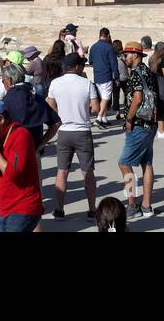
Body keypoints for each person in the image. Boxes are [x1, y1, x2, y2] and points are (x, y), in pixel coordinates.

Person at [46, 53, 101, 220]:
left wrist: (59, 113)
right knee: (88, 172)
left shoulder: (55, 83)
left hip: (64, 131)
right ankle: (92, 209)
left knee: (62, 171)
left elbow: (49, 102)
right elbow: (96, 108)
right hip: (82, 130)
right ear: (77, 67)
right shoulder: (86, 83)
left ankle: (60, 209)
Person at [0, 99, 43, 232]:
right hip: (7, 208)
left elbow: (13, 174)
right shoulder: (1, 137)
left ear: (1, 119)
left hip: (22, 207)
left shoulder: (20, 136)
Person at [118, 41, 157, 219]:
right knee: (146, 163)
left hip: (139, 124)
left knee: (124, 163)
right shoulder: (147, 71)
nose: (124, 58)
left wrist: (128, 119)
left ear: (135, 55)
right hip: (151, 123)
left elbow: (138, 98)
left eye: (125, 55)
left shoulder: (135, 74)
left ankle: (132, 204)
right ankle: (147, 206)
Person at [89, 28, 118, 127]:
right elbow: (114, 63)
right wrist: (117, 76)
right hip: (106, 75)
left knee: (102, 97)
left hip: (97, 75)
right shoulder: (109, 47)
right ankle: (99, 117)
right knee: (106, 97)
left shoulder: (93, 47)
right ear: (108, 35)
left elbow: (91, 61)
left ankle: (104, 118)